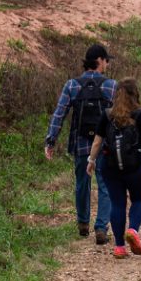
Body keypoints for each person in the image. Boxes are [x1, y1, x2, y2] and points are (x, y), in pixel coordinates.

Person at [86, 78, 141, 259]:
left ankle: (120, 247)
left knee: (117, 204)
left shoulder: (107, 115)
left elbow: (98, 141)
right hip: (135, 166)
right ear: (135, 94)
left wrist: (91, 160)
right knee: (139, 200)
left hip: (110, 166)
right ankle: (132, 230)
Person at [45, 44, 116, 244]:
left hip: (81, 144)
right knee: (105, 186)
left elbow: (59, 113)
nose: (107, 64)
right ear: (100, 61)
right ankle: (101, 227)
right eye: (106, 60)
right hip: (105, 146)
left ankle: (83, 223)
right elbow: (123, 116)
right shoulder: (111, 85)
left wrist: (51, 140)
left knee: (82, 184)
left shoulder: (72, 85)